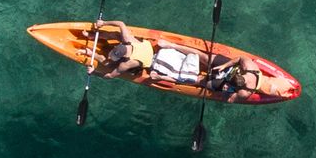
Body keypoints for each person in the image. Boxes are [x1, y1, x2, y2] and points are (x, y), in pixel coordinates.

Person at [79, 20, 210, 82]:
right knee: (116, 35)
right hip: (153, 51)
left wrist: (94, 72)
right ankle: (93, 36)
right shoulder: (128, 39)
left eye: (114, 52)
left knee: (109, 64)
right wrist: (104, 23)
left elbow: (110, 75)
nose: (113, 49)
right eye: (114, 50)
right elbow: (121, 24)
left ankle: (92, 54)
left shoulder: (126, 64)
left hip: (151, 63)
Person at [203, 56, 297, 102]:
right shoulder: (250, 70)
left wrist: (225, 90)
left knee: (203, 79)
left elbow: (229, 100)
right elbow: (240, 58)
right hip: (230, 70)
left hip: (226, 80)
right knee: (206, 63)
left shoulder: (244, 91)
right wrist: (224, 66)